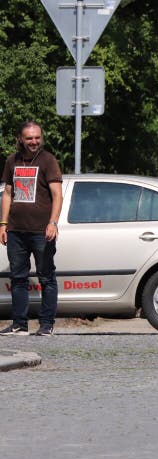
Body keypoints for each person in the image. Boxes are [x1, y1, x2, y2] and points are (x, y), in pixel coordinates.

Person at [0, 121, 63, 336]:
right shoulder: (12, 161)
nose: (34, 141)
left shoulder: (48, 160)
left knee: (46, 276)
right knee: (18, 278)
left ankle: (46, 324)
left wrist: (53, 222)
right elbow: (8, 193)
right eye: (29, 138)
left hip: (41, 231)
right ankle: (19, 324)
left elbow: (57, 195)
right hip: (16, 230)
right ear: (21, 139)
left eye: (37, 137)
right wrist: (3, 224)